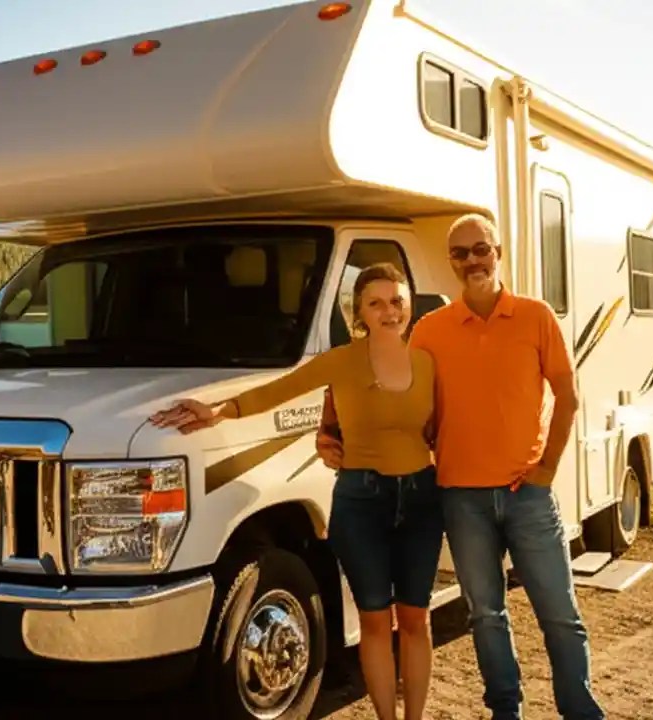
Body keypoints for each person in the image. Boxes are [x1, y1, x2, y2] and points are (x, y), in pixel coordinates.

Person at [316, 214, 605, 719]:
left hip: (528, 494)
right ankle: (505, 712)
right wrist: (327, 429)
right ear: (450, 262)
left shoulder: (536, 316)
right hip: (459, 496)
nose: (472, 261)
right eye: (460, 254)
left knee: (560, 616)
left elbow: (568, 396)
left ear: (497, 252)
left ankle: (580, 712)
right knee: (487, 615)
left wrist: (547, 468)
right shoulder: (430, 329)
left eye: (480, 250)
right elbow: (375, 372)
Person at [149, 262, 444, 720]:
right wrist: (216, 411)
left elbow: (444, 427)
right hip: (361, 502)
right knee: (373, 620)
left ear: (409, 307)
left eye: (398, 301)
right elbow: (278, 391)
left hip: (421, 501)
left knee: (415, 619)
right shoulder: (341, 360)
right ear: (359, 312)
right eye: (376, 302)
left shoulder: (427, 362)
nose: (389, 311)